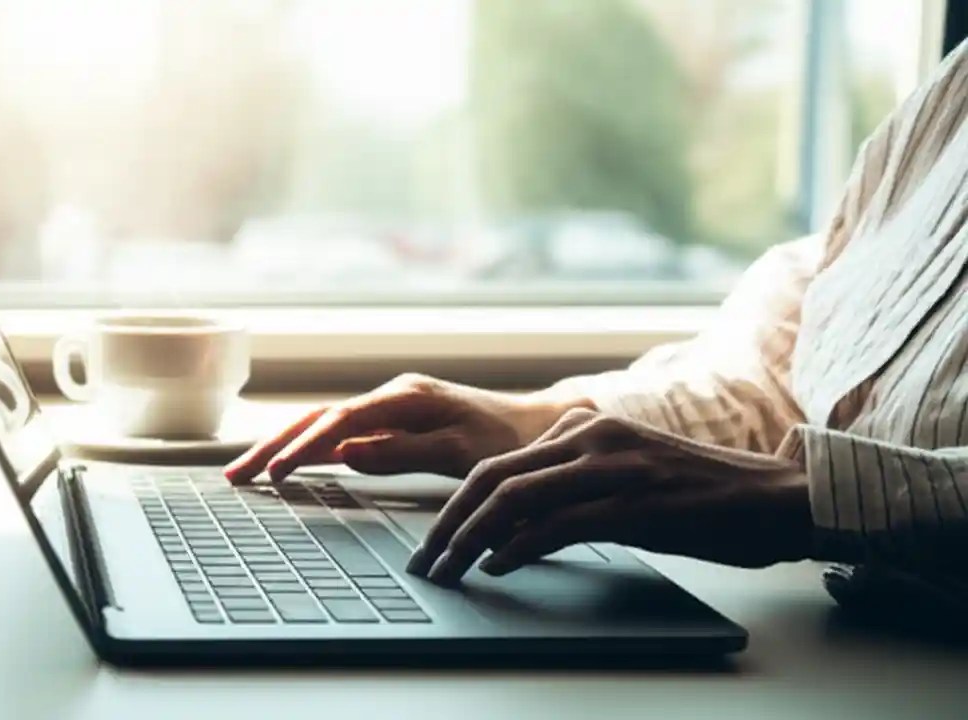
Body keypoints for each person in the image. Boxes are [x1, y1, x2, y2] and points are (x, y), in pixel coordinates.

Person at [225, 40, 968, 617]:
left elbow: (805, 464)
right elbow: (793, 381)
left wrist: (805, 496)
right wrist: (542, 422)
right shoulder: (952, 96)